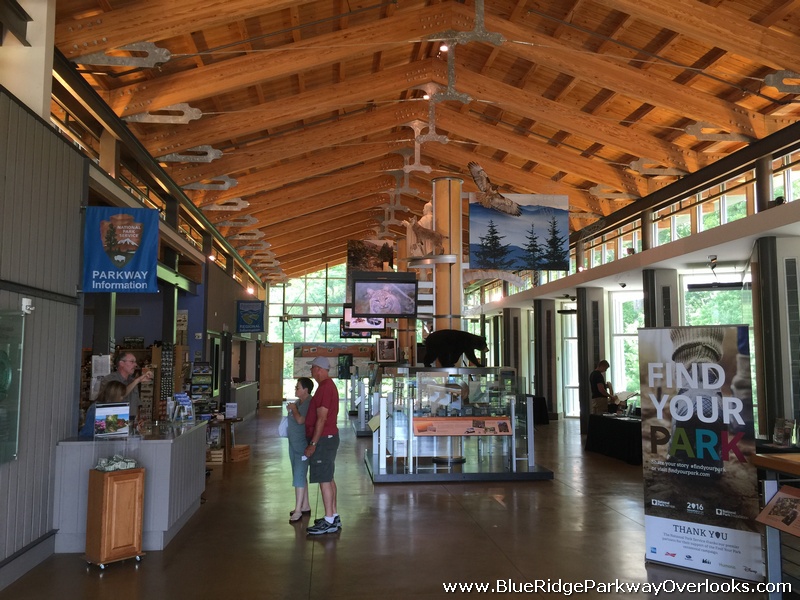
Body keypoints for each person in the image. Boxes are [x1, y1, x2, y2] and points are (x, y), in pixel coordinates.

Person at [304, 356, 341, 535]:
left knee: (324, 479)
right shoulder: (326, 387)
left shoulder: (325, 388)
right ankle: (333, 515)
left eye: (312, 368)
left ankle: (328, 521)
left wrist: (313, 443)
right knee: (329, 477)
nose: (311, 371)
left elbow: (322, 418)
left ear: (319, 369)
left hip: (324, 439)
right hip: (327, 437)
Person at [99, 351, 153, 424]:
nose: (135, 365)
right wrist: (137, 380)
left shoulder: (133, 381)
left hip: (132, 423)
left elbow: (136, 403)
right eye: (132, 362)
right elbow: (120, 395)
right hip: (114, 423)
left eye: (135, 362)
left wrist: (138, 420)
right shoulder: (109, 380)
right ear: (121, 363)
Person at [288, 377, 313, 523]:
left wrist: (294, 409)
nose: (296, 389)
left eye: (298, 387)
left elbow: (300, 420)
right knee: (299, 475)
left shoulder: (308, 402)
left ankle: (298, 510)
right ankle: (305, 505)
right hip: (293, 444)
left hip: (302, 445)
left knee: (299, 475)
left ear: (306, 390)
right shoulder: (298, 402)